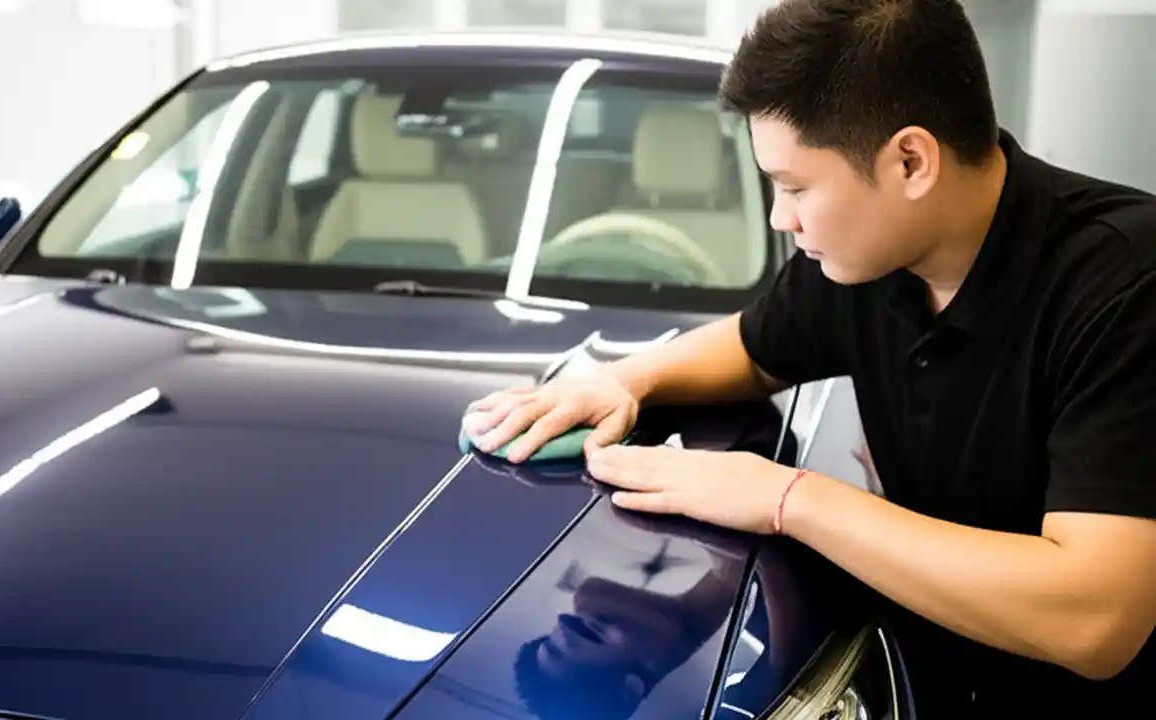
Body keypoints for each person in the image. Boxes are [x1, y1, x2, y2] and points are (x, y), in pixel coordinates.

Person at [463, 0, 1156, 715]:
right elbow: (756, 348)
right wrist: (628, 379)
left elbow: (1096, 620)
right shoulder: (874, 255)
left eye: (795, 187)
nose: (779, 218)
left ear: (911, 161)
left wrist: (787, 499)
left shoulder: (1126, 285)